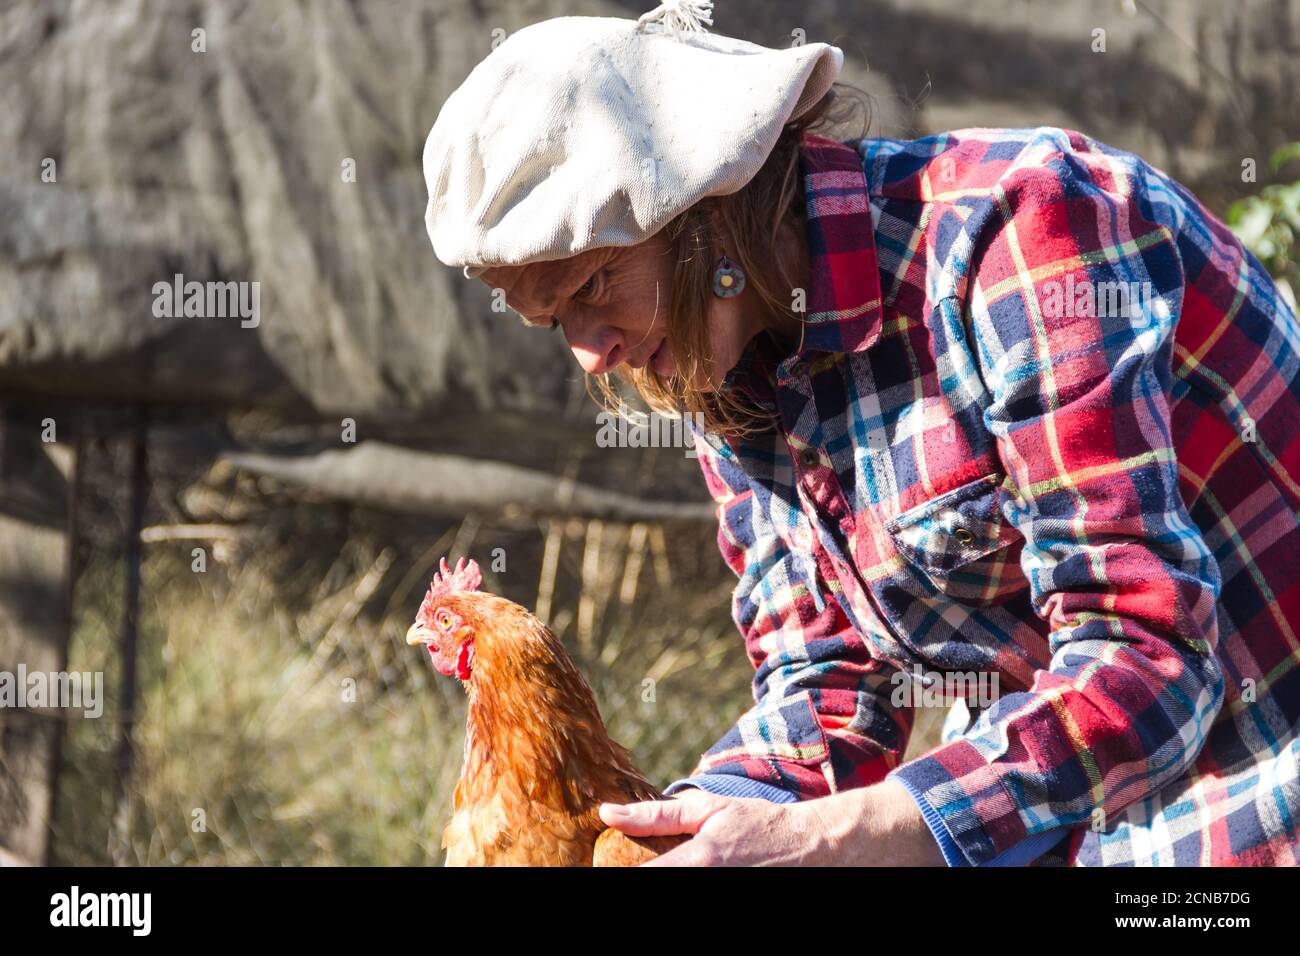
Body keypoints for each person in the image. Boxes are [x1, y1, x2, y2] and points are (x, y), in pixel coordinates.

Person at [421, 3, 1300, 865]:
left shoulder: (1016, 232)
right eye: (554, 323)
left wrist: (851, 832)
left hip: (1258, 758)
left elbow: (1148, 659)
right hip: (1060, 774)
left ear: (704, 205)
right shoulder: (721, 357)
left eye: (593, 287)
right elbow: (824, 675)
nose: (591, 356)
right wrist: (688, 833)